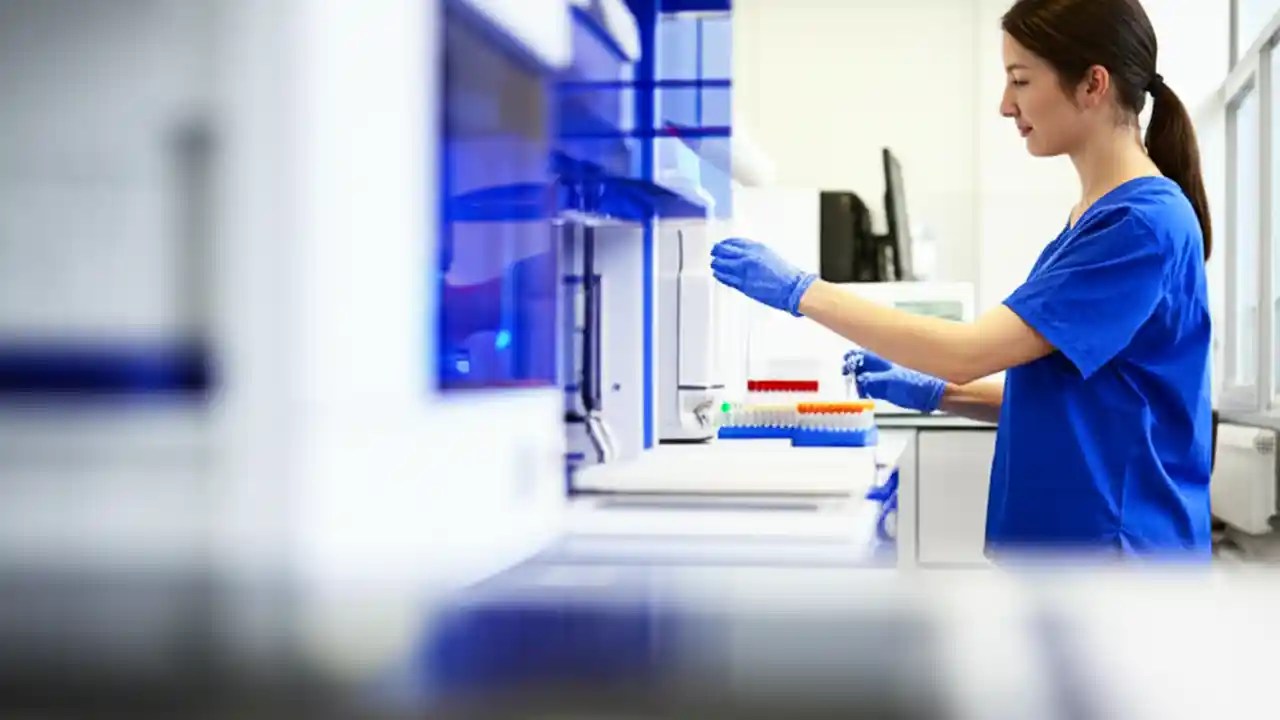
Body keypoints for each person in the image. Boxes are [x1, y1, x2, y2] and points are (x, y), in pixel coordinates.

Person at [710, 0, 1213, 560]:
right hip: (1079, 550)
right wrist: (939, 393)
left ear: (1093, 83)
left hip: (1118, 556)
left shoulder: (1138, 224)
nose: (1005, 105)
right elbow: (1080, 401)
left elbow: (967, 350)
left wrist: (802, 290)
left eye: (1020, 81)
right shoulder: (1098, 215)